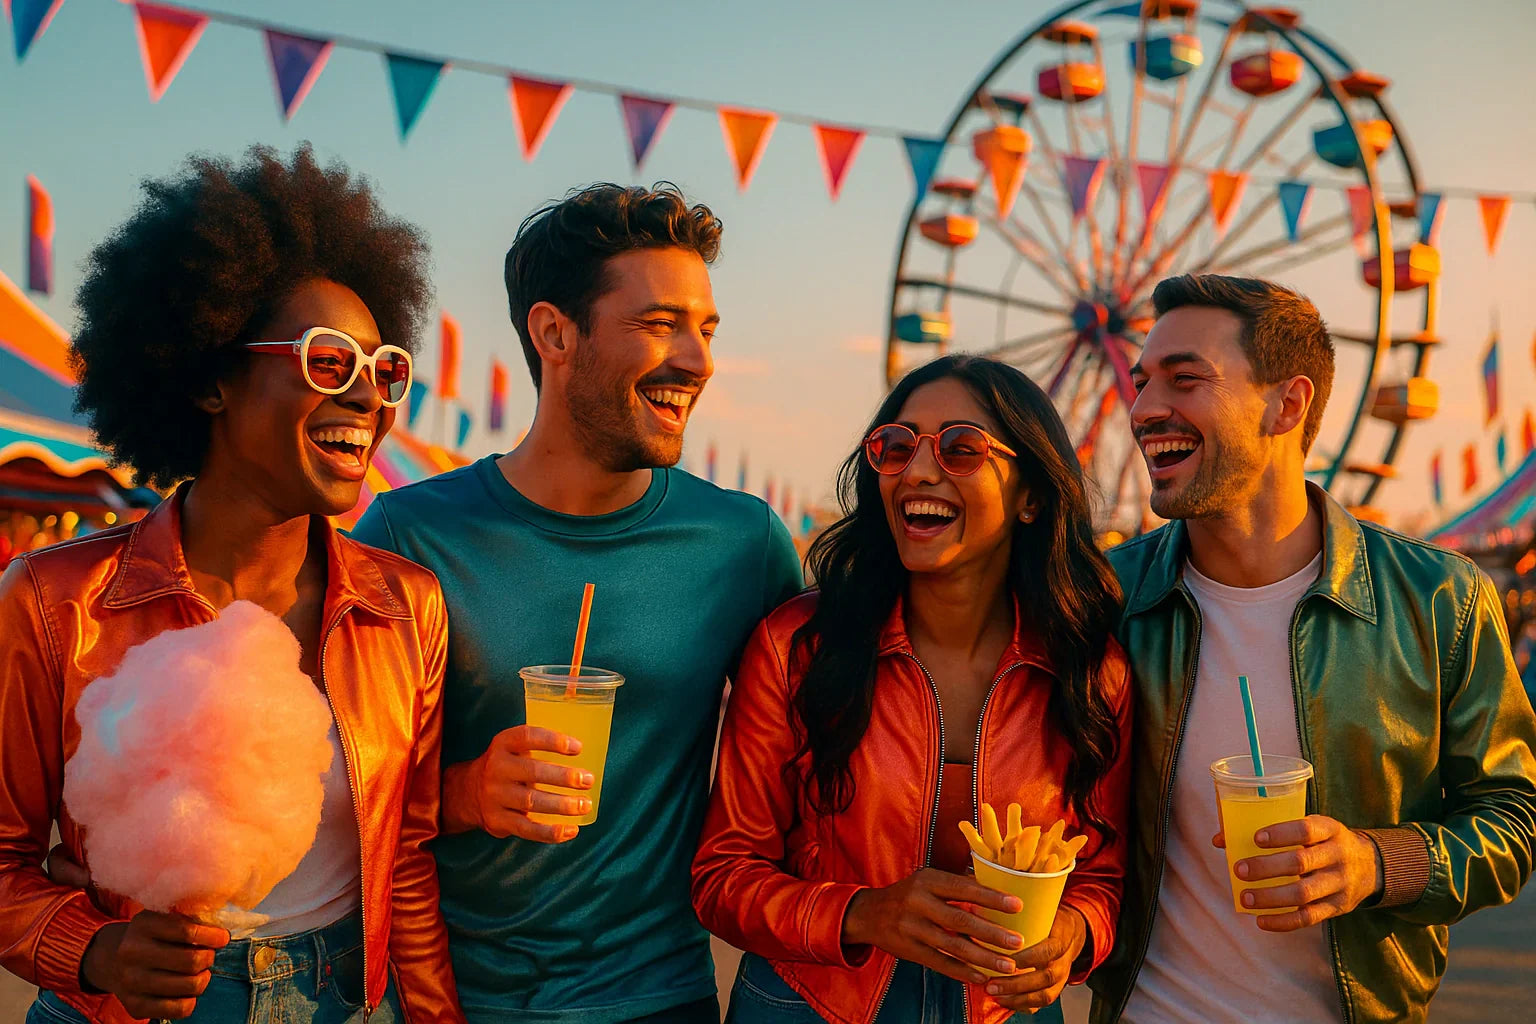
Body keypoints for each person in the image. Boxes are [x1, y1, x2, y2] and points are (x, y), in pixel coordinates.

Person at [0, 146, 464, 1024]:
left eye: (386, 370)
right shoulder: (55, 602)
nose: (370, 398)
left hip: (340, 1000)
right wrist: (96, 950)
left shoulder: (407, 608)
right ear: (213, 377)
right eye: (331, 362)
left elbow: (405, 860)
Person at [349, 182, 803, 1022]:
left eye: (705, 330)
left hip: (663, 998)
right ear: (555, 333)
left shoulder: (743, 543)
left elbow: (834, 745)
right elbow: (334, 787)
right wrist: (466, 793)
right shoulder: (407, 536)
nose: (698, 361)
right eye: (660, 324)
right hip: (453, 1002)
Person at [1091, 274, 1536, 1024]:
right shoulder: (1104, 600)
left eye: (1184, 379)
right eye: (1140, 384)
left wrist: (1374, 863)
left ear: (1287, 404)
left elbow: (1511, 819)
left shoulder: (1438, 601)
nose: (1142, 410)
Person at [693, 354, 1133, 1023]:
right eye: (895, 447)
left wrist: (1072, 937)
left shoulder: (1089, 670)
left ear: (1033, 496)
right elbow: (723, 874)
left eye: (960, 449)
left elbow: (1102, 878)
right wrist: (862, 914)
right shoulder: (798, 647)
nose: (918, 470)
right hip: (810, 1003)